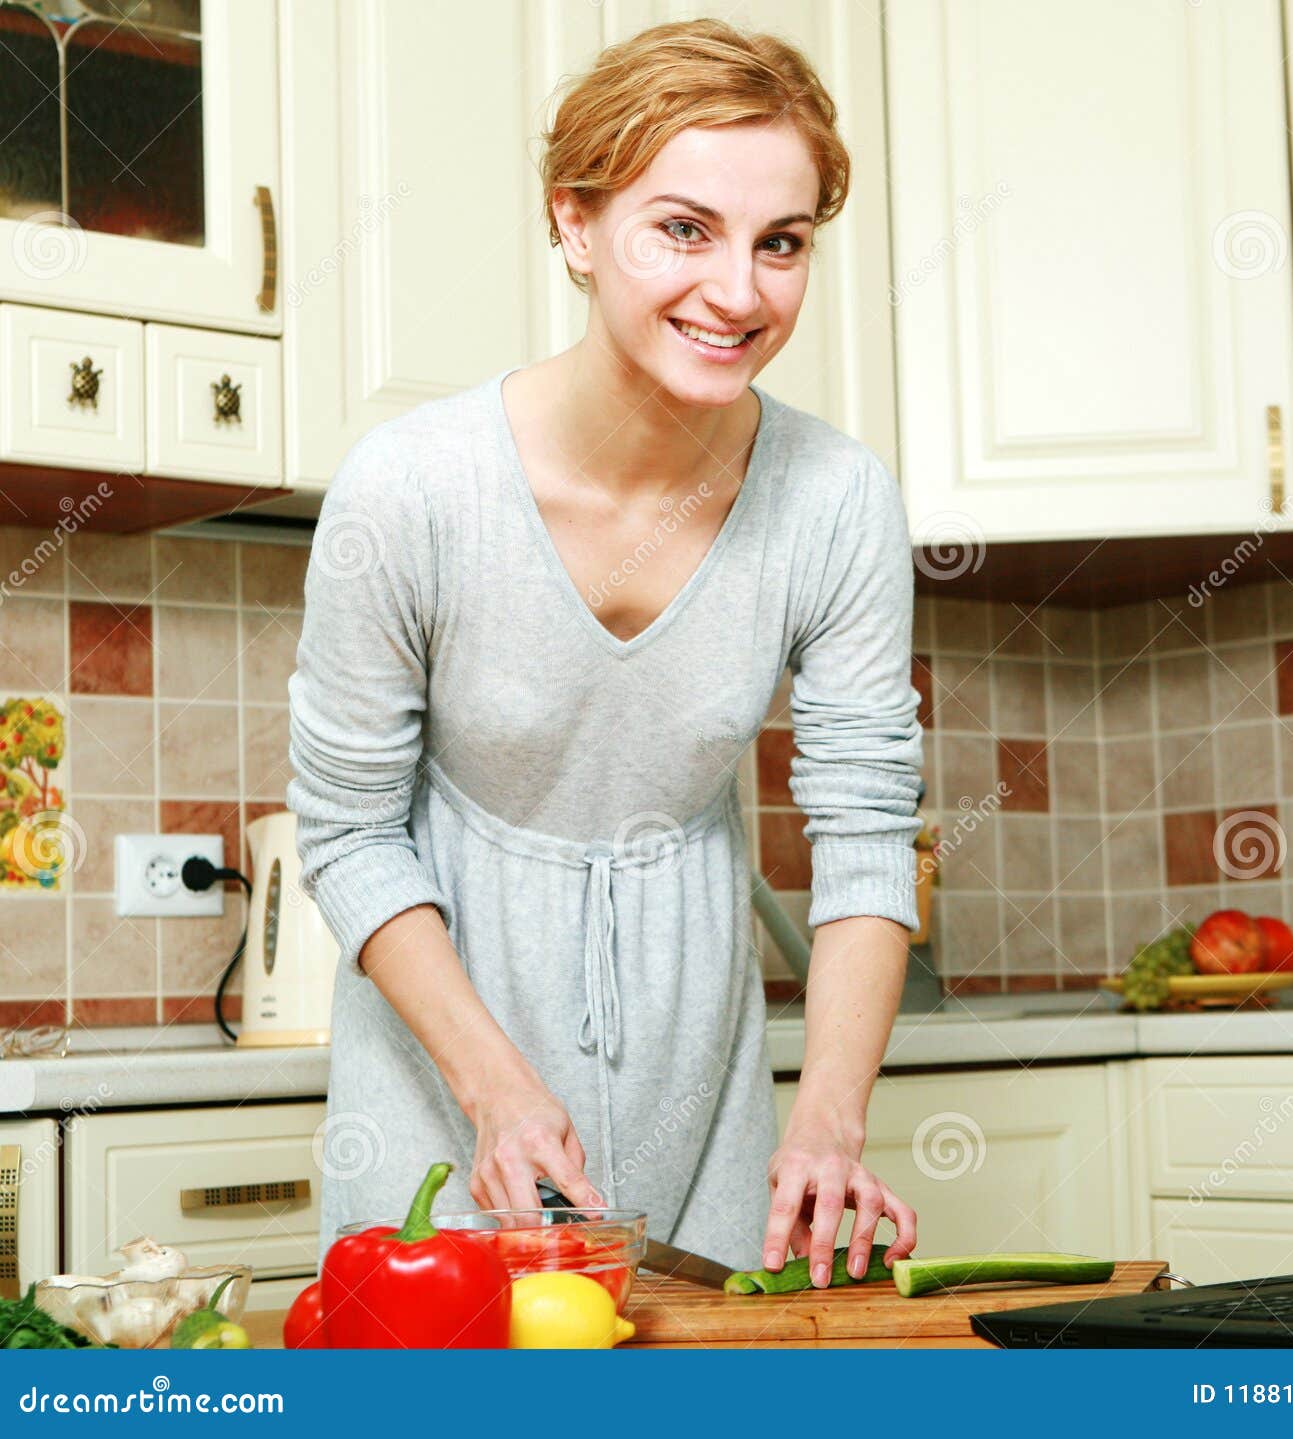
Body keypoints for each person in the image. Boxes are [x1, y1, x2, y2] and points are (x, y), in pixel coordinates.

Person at [288, 18, 922, 1284]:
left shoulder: (835, 499)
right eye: (682, 228)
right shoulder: (411, 489)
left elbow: (863, 830)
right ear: (575, 224)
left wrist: (826, 1119)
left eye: (780, 243)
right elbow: (350, 832)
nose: (738, 291)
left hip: (706, 1069)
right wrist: (496, 1091)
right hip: (438, 1086)